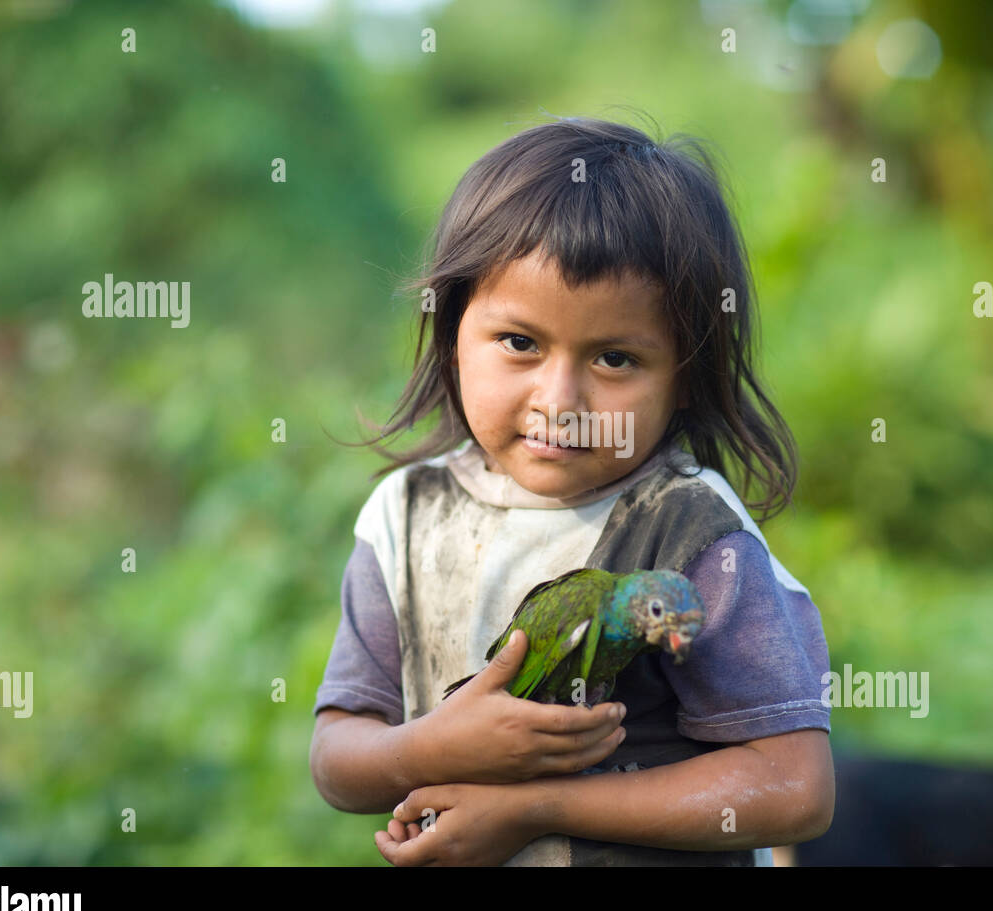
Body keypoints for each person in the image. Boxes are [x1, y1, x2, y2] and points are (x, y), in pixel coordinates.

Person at [310, 114, 834, 866]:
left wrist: (537, 807)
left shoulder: (694, 535)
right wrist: (429, 746)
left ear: (687, 376)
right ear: (452, 330)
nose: (561, 400)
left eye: (615, 358)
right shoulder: (404, 516)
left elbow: (794, 788)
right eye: (520, 343)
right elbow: (337, 757)